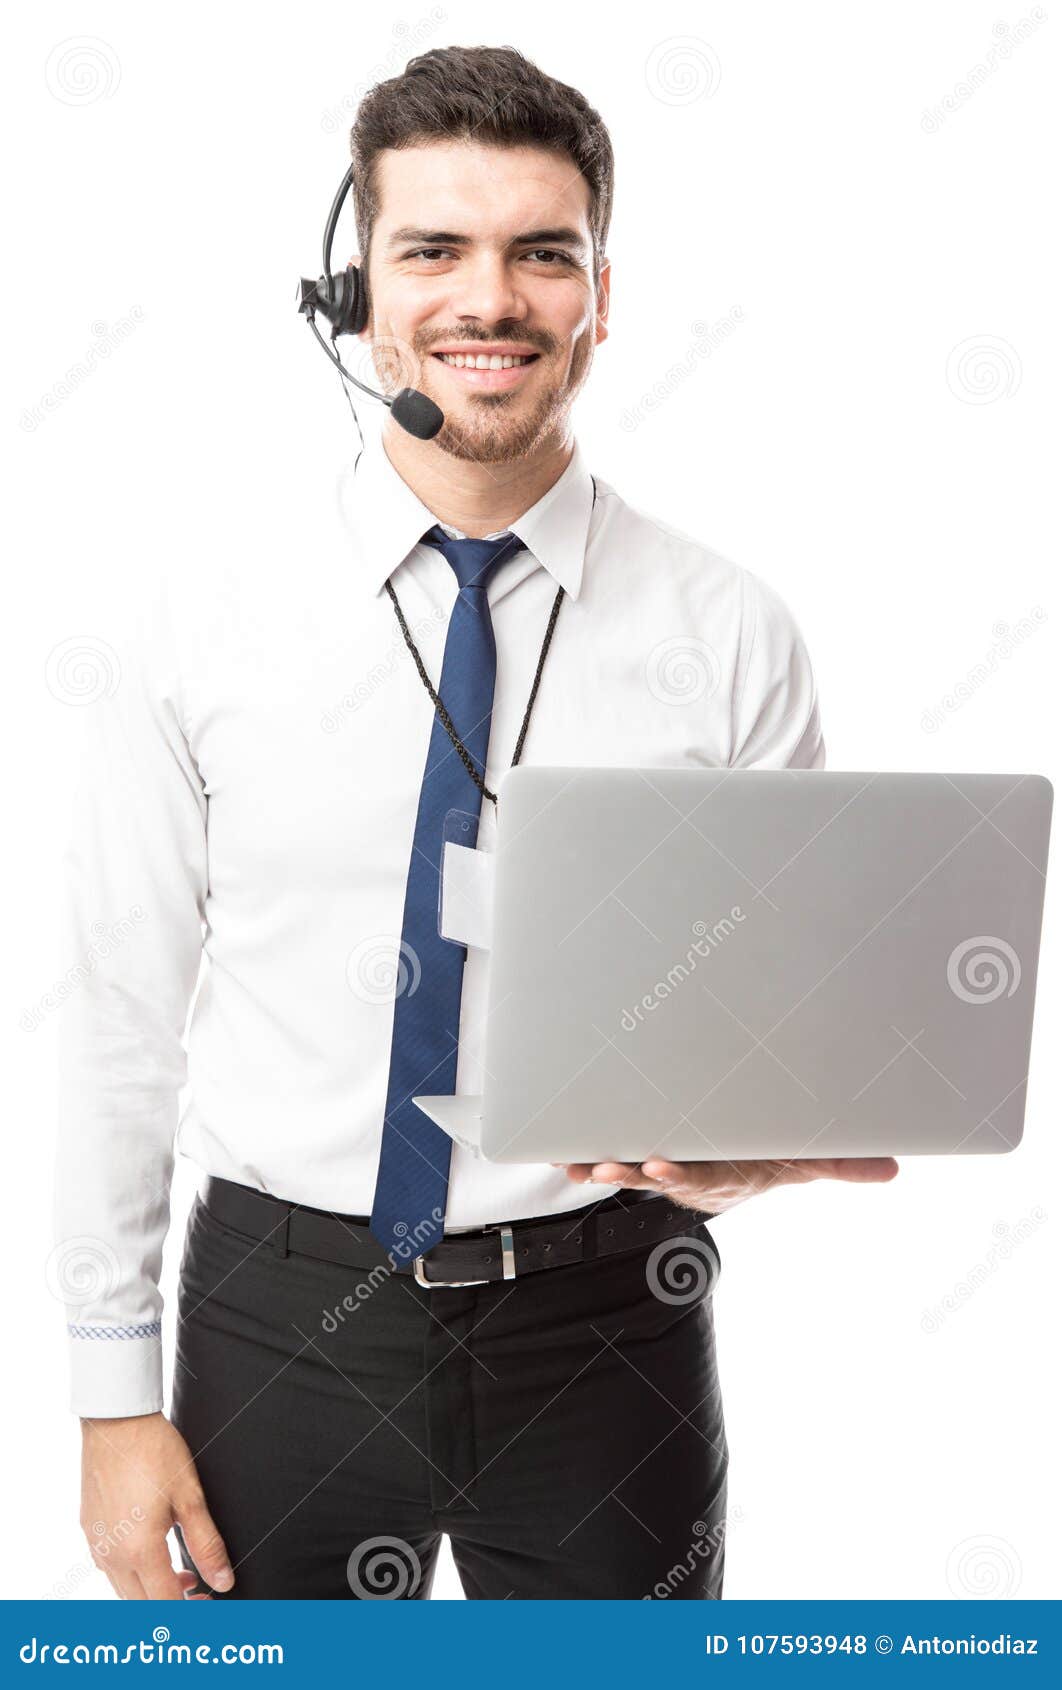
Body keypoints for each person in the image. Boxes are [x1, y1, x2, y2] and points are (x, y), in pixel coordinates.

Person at [56, 44, 897, 1602]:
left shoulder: (728, 634)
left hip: (610, 1322)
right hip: (273, 1319)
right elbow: (117, 1018)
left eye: (542, 254)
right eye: (433, 249)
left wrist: (742, 1160)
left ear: (599, 297)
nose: (488, 300)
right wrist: (112, 1394)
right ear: (355, 295)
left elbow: (774, 1047)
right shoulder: (199, 619)